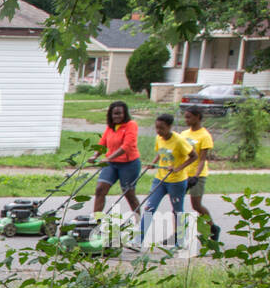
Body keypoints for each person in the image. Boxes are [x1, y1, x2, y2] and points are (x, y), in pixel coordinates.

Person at [140, 114, 198, 252]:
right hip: (160, 179)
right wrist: (153, 164)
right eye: (157, 128)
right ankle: (138, 239)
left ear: (169, 127)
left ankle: (180, 240)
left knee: (177, 210)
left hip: (176, 181)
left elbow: (194, 156)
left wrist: (178, 168)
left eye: (162, 128)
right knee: (149, 207)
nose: (159, 131)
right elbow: (161, 153)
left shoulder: (179, 141)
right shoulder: (158, 138)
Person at [91, 100, 142, 217]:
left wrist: (109, 158)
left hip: (129, 164)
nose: (117, 116)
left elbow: (127, 146)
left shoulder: (131, 125)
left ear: (125, 114)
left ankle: (138, 220)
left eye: (120, 113)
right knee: (100, 190)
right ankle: (96, 219)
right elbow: (102, 142)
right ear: (110, 114)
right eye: (115, 114)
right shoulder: (111, 127)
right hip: (112, 164)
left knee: (129, 194)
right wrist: (95, 155)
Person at [181, 106, 220, 242]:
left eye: (189, 117)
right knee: (177, 204)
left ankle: (212, 227)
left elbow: (202, 159)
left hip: (197, 174)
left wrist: (196, 176)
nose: (186, 120)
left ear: (197, 117)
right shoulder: (184, 134)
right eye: (185, 117)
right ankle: (178, 234)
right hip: (183, 174)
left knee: (196, 205)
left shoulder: (204, 136)